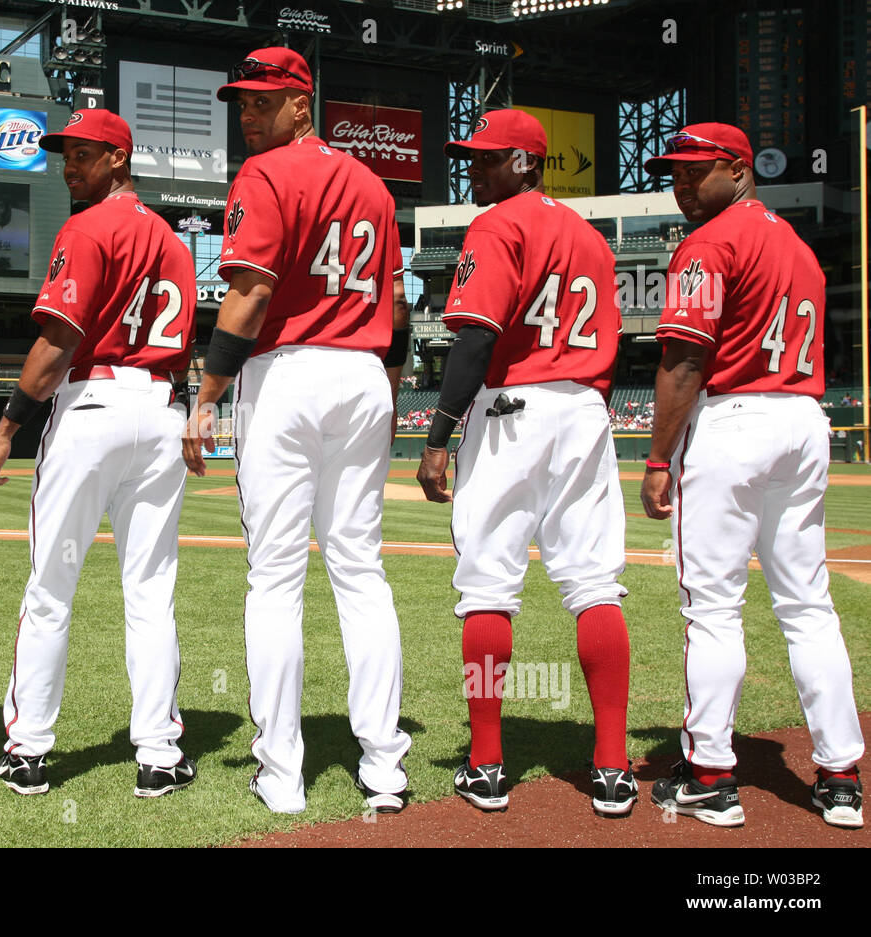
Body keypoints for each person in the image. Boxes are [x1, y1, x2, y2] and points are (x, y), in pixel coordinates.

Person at [182, 47, 412, 815]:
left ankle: (282, 771)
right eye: (241, 103)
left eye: (260, 102)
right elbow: (401, 302)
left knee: (276, 577)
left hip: (284, 374)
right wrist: (386, 378)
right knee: (360, 568)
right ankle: (384, 763)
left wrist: (206, 394)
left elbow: (248, 294)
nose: (246, 116)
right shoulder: (374, 185)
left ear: (300, 103)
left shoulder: (266, 175)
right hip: (361, 371)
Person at [640, 122, 864, 829]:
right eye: (672, 170)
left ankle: (709, 773)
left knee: (713, 607)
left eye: (693, 169)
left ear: (738, 169)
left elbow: (683, 362)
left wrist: (656, 458)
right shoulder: (799, 248)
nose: (679, 181)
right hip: (802, 416)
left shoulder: (710, 242)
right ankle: (840, 775)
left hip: (735, 417)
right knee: (807, 604)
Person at [416, 109, 634, 816]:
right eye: (472, 158)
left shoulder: (498, 224)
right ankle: (611, 767)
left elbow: (475, 341)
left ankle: (486, 765)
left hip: (514, 410)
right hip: (583, 410)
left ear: (529, 163)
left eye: (489, 158)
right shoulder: (592, 239)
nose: (474, 169)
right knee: (594, 580)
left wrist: (438, 433)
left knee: (487, 585)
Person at [0, 109, 199, 798]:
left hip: (94, 405)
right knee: (150, 591)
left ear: (119, 159)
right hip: (160, 409)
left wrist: (8, 426)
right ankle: (159, 753)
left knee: (49, 588)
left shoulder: (87, 227)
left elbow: (56, 344)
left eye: (84, 153)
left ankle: (28, 751)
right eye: (65, 153)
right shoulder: (175, 243)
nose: (69, 164)